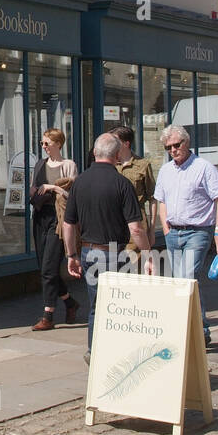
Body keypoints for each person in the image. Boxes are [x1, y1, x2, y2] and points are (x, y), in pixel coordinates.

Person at [63, 133, 150, 362]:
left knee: (96, 305)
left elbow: (68, 224)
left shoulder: (80, 181)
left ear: (94, 153)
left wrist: (71, 255)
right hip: (114, 252)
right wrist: (149, 253)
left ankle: (95, 351)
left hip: (88, 251)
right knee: (121, 307)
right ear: (117, 154)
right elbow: (136, 229)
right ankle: (117, 353)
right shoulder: (122, 183)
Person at [152, 125, 218, 347]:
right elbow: (162, 200)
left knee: (186, 279)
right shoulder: (166, 170)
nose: (173, 150)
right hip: (173, 232)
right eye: (168, 147)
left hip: (197, 232)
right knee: (182, 282)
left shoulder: (203, 168)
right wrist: (165, 227)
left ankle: (190, 331)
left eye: (177, 145)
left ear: (186, 143)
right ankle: (201, 328)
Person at [29, 128, 79, 330]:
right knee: (44, 267)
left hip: (59, 220)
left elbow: (74, 196)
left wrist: (54, 188)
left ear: (58, 144)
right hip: (41, 216)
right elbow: (34, 188)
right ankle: (69, 301)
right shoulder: (40, 165)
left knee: (49, 268)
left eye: (47, 143)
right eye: (42, 143)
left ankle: (48, 314)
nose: (44, 147)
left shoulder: (68, 165)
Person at [111, 125, 157, 271]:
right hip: (115, 222)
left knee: (132, 267)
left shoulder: (143, 165)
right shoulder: (110, 165)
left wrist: (152, 228)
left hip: (136, 222)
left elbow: (153, 198)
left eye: (115, 140)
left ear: (126, 143)